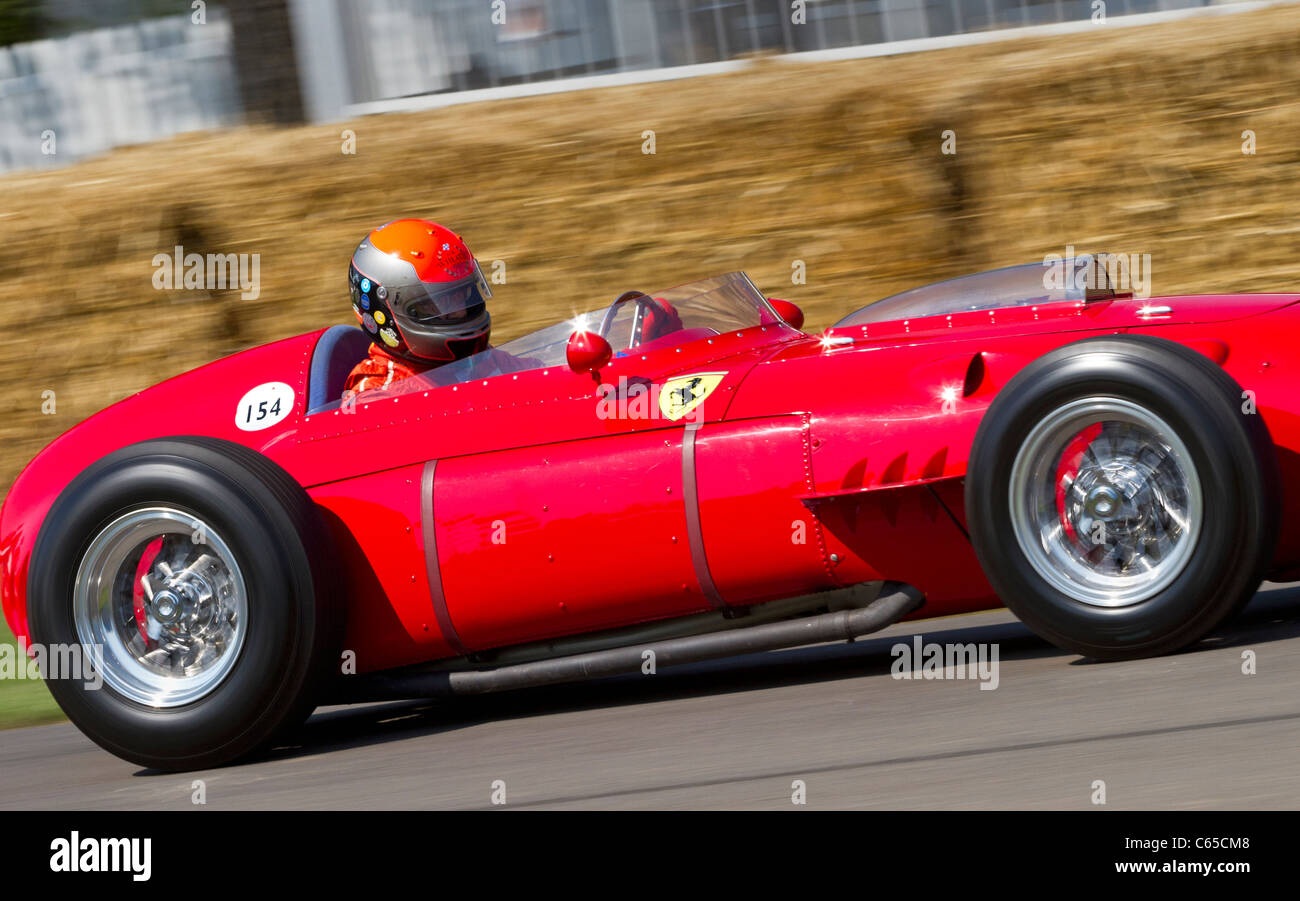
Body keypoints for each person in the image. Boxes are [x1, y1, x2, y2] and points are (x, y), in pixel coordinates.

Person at [343, 219, 494, 400]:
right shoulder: (378, 397)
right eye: (440, 302)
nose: (461, 312)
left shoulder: (478, 359)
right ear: (386, 311)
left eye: (463, 294)